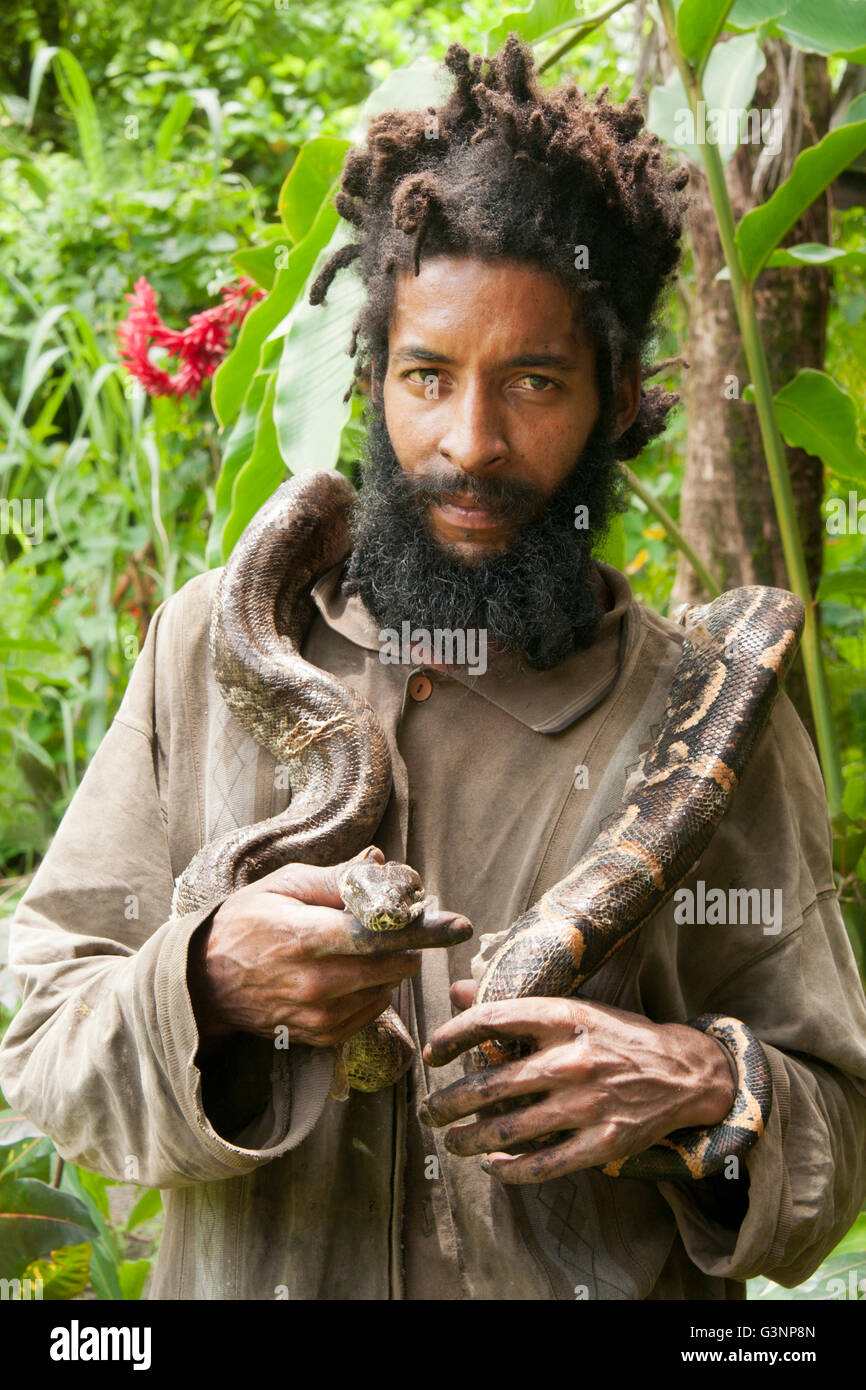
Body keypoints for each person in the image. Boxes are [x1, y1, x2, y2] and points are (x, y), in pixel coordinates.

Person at [2, 36, 865, 1302]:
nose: (471, 442)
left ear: (620, 398)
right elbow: (36, 1028)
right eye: (426, 376)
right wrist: (207, 982)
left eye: (532, 381)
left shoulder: (714, 713)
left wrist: (694, 1083)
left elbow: (835, 1132)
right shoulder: (208, 650)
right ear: (371, 379)